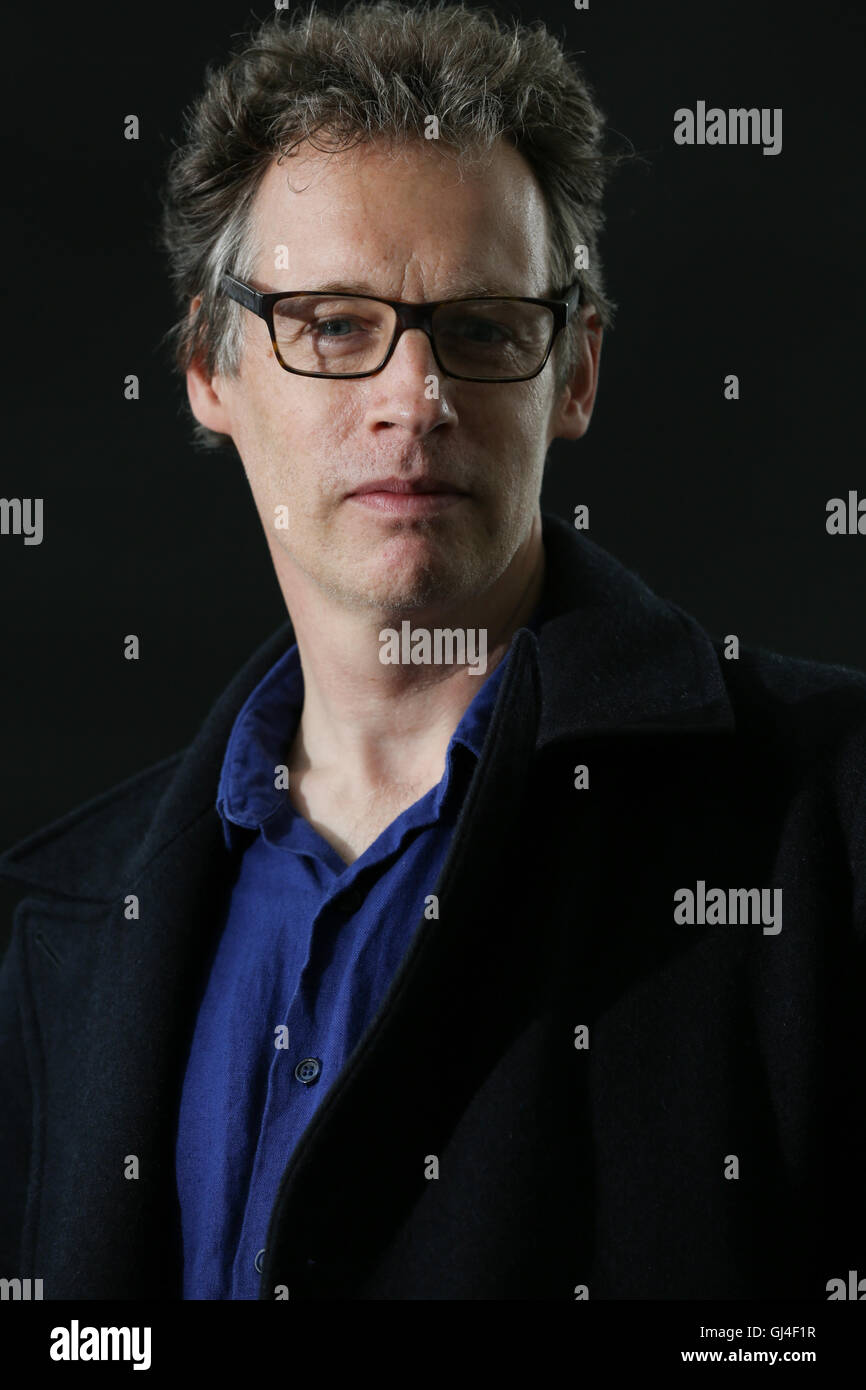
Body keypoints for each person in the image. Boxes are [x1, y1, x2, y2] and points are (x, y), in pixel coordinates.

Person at [1, 0, 863, 1302]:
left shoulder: (832, 817)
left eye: (482, 327)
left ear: (571, 372)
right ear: (206, 366)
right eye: (334, 325)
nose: (416, 398)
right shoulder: (49, 926)